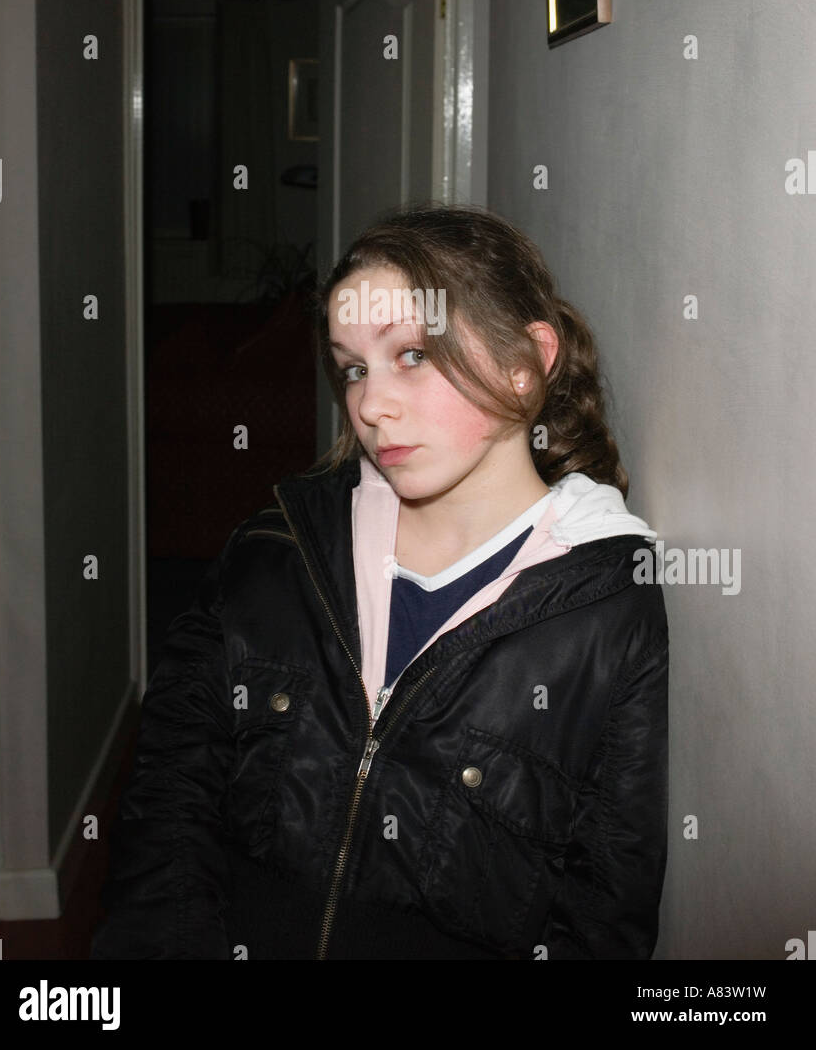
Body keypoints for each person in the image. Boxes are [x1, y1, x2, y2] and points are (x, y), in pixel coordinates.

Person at [90, 202, 668, 961]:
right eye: (353, 367)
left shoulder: (605, 605)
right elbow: (169, 801)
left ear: (526, 365)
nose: (369, 404)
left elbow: (602, 906)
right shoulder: (275, 548)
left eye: (412, 356)